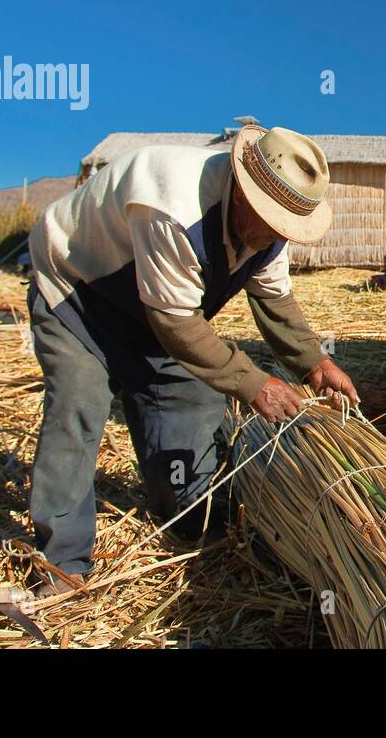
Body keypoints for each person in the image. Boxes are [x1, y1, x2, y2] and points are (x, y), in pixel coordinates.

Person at [26, 125, 359, 591]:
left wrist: (315, 362)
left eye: (283, 229)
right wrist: (252, 383)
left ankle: (188, 517)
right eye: (269, 223)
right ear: (242, 191)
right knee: (77, 411)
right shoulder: (172, 204)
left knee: (189, 402)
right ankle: (63, 561)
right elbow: (178, 325)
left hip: (155, 302)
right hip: (79, 291)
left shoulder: (273, 231)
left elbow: (275, 301)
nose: (272, 238)